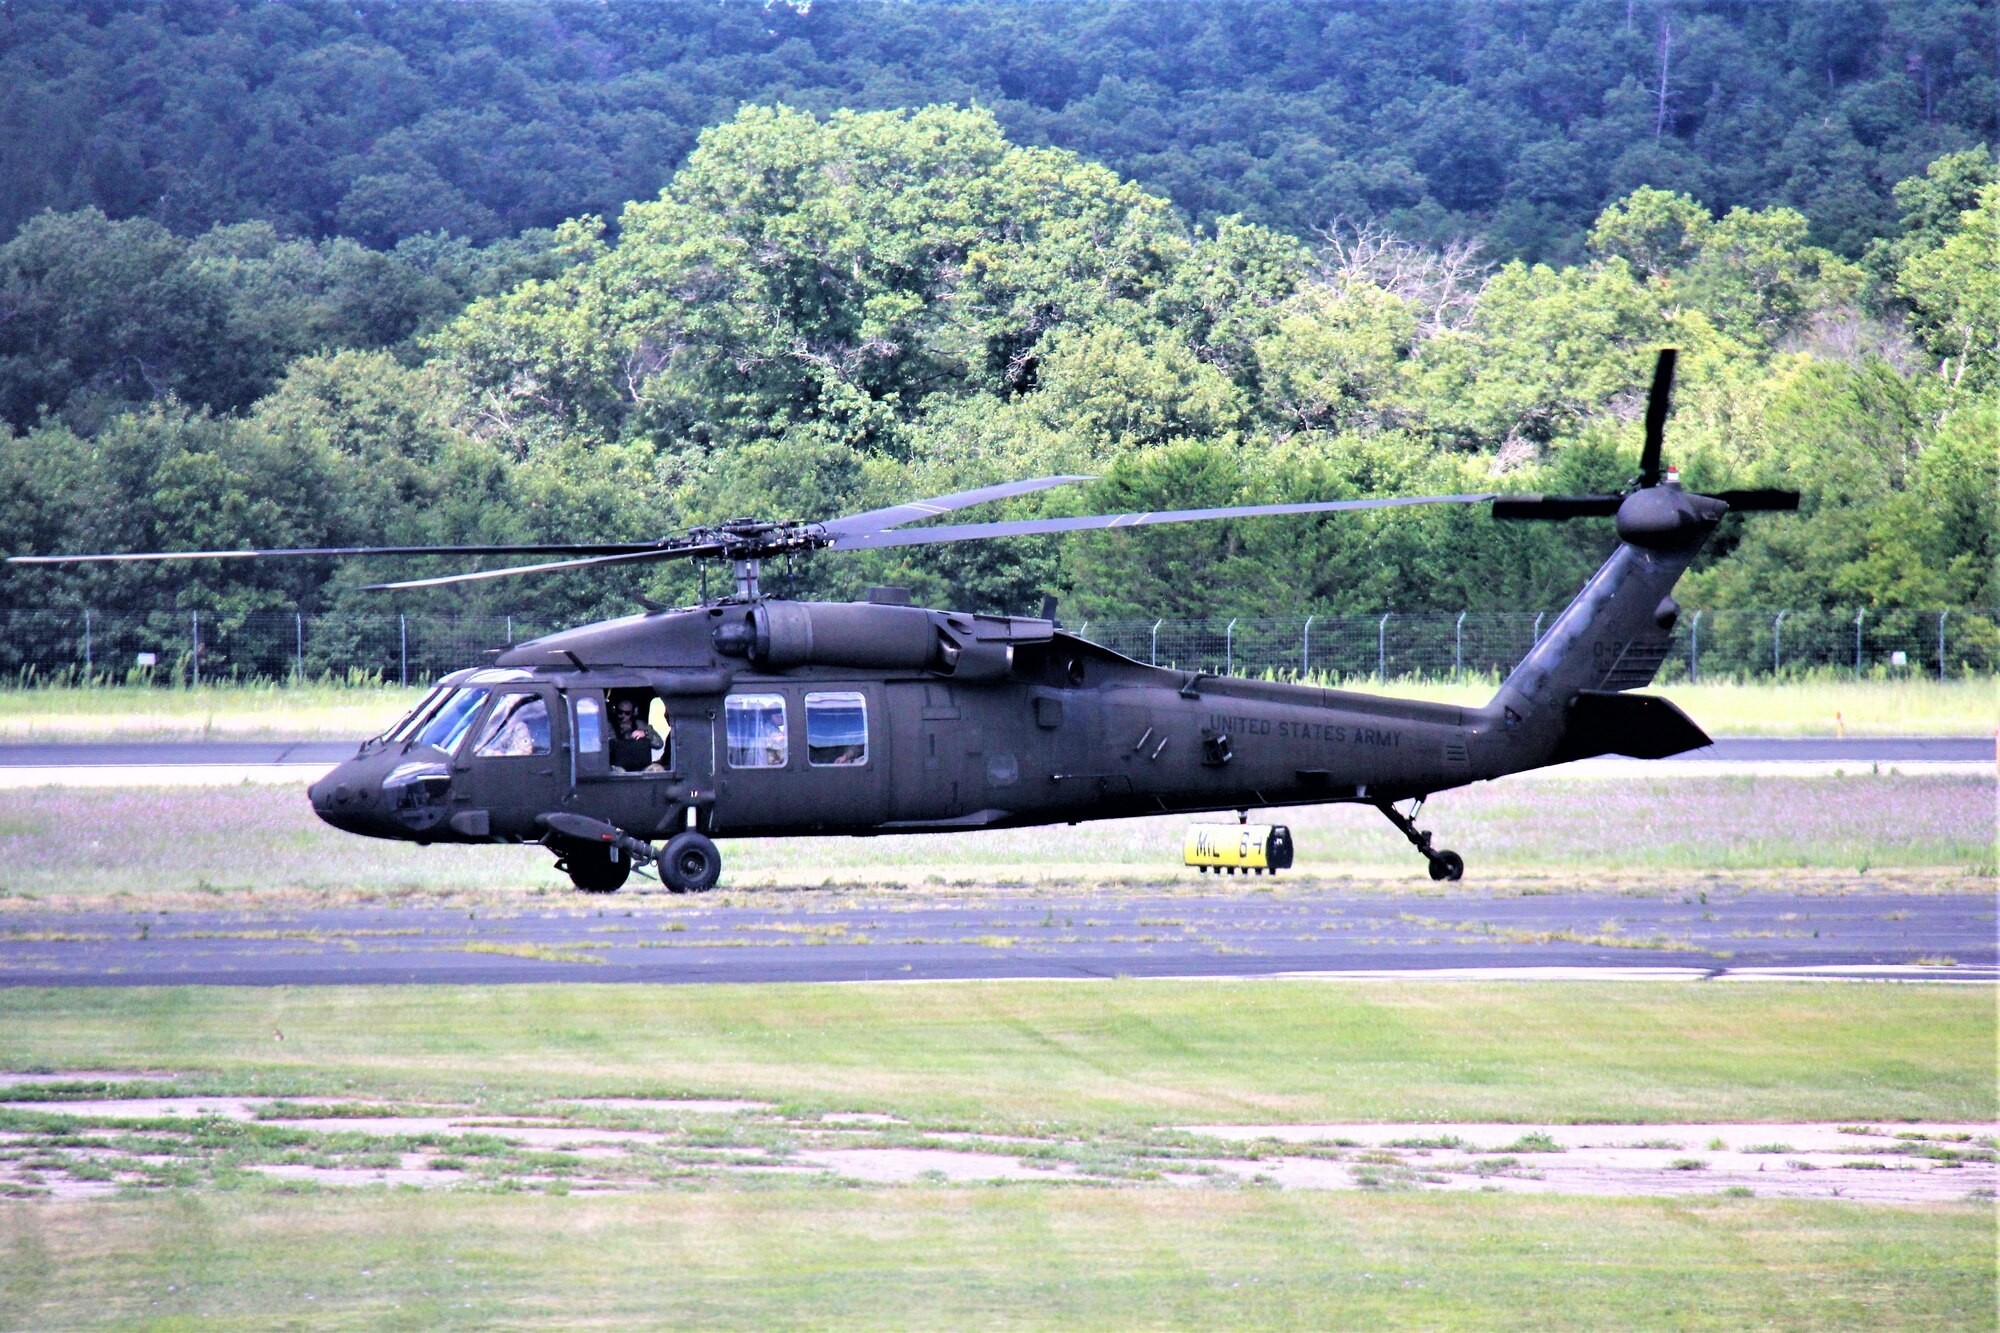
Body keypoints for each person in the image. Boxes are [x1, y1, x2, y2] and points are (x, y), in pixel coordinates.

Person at [610, 696, 664, 771]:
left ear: (633, 712)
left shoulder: (641, 725)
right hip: (618, 768)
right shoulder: (609, 727)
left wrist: (645, 734)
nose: (623, 715)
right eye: (620, 712)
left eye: (627, 713)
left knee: (657, 769)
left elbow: (659, 744)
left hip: (641, 768)